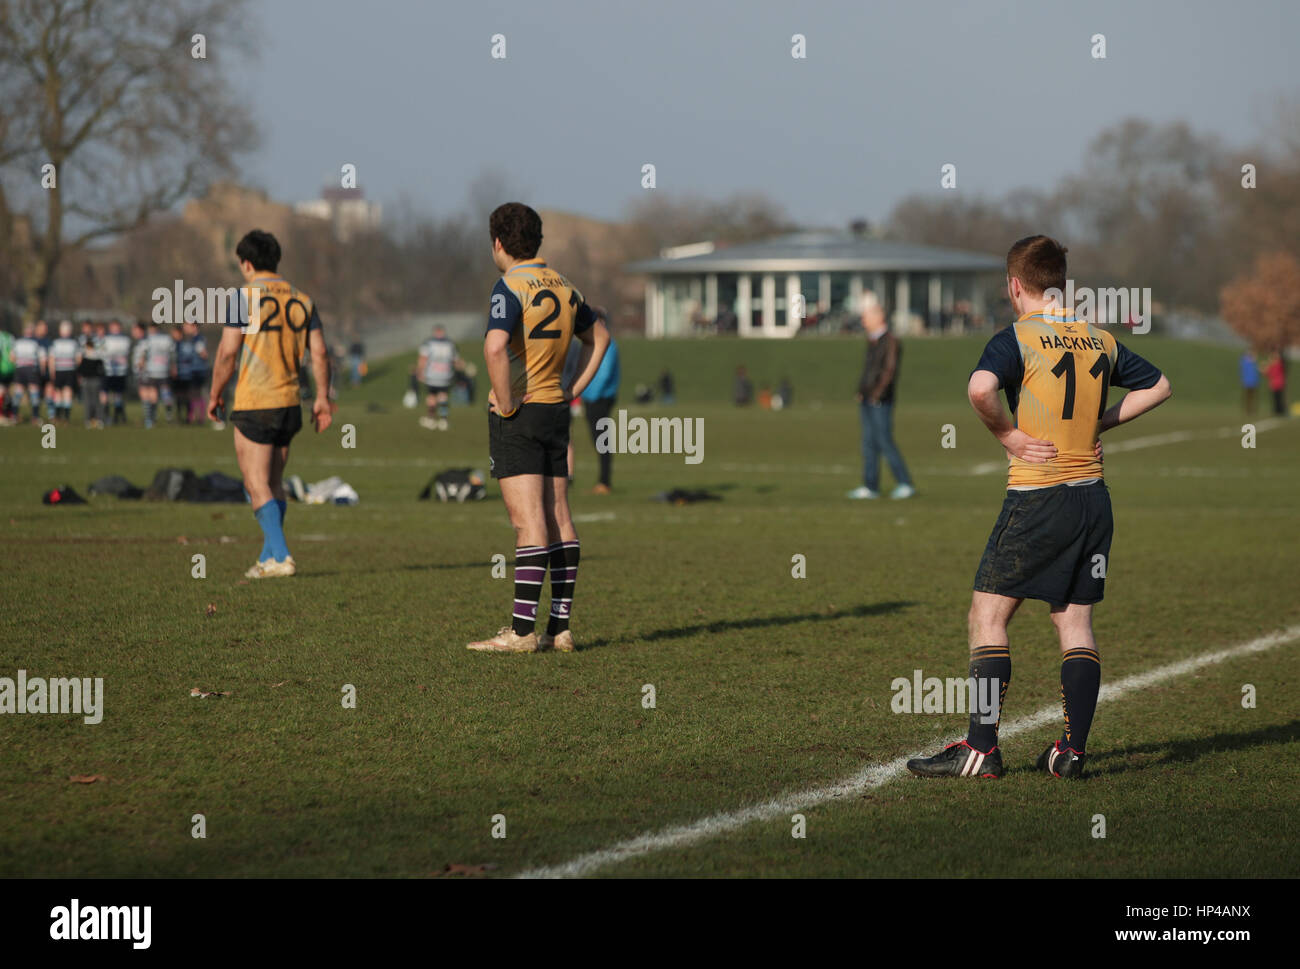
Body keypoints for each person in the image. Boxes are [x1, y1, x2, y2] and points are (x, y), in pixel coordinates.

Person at [906, 235, 1171, 781]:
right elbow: (1161, 386)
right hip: (1093, 499)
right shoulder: (1098, 339)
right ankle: (1071, 753)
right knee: (1074, 621)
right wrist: (1101, 423)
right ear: (1062, 283)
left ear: (1014, 285)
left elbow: (980, 390)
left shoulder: (1018, 338)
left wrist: (1008, 435)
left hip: (1038, 496)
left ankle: (980, 748)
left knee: (988, 614)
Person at [467, 202, 609, 654]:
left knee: (527, 522)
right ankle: (560, 629)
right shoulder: (566, 286)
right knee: (560, 518)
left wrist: (506, 402)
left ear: (498, 243)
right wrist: (574, 387)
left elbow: (494, 349)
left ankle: (522, 633)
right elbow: (600, 336)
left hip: (521, 414)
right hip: (555, 410)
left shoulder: (509, 286)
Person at [208, 229, 333, 579]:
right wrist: (322, 397)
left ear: (246, 264)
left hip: (255, 402)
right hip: (290, 403)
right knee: (275, 483)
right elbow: (320, 352)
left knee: (255, 483)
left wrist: (215, 392)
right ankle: (267, 557)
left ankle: (280, 556)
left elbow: (228, 351)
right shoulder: (302, 299)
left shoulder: (243, 297)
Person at [847, 301, 914, 500]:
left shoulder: (890, 341)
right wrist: (862, 391)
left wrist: (877, 393)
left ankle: (905, 483)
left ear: (879, 317)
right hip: (867, 399)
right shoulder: (872, 340)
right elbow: (869, 370)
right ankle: (870, 486)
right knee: (868, 443)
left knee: (884, 440)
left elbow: (888, 372)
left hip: (881, 400)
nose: (863, 319)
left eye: (867, 315)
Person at [579, 313, 620, 494]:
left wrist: (590, 395)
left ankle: (605, 481)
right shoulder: (591, 343)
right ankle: (603, 481)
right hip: (590, 396)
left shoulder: (606, 343)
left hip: (600, 397)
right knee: (597, 439)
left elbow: (603, 374)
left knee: (602, 439)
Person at [416, 324, 461, 430]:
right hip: (446, 375)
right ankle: (443, 420)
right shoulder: (450, 344)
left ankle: (431, 419)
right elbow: (456, 360)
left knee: (431, 396)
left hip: (432, 375)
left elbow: (423, 358)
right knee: (443, 396)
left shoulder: (428, 343)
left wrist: (420, 371)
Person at [138, 323, 175, 428]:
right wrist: (173, 367)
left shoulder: (148, 339)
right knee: (165, 394)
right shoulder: (167, 339)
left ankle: (151, 419)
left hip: (152, 371)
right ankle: (168, 415)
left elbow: (143, 354)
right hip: (164, 370)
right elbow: (172, 354)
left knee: (152, 396)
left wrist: (141, 364)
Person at [11, 323, 45, 422]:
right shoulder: (36, 342)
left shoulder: (17, 342)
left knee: (18, 392)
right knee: (34, 391)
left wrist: (17, 365)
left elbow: (12, 357)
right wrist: (41, 372)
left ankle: (14, 416)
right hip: (31, 369)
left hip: (20, 368)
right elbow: (42, 358)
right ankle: (35, 417)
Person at [101, 320, 132, 426]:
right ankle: (106, 415)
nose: (115, 329)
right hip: (108, 371)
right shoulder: (105, 339)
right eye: (113, 327)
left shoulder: (125, 340)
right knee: (105, 393)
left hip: (121, 372)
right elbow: (101, 353)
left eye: (117, 327)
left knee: (118, 394)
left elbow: (127, 354)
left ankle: (117, 416)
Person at [48, 321, 80, 422]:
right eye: (64, 329)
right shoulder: (56, 342)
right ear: (60, 331)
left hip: (69, 370)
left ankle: (66, 416)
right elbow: (52, 358)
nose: (66, 332)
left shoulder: (74, 343)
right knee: (58, 393)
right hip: (59, 370)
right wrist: (52, 372)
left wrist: (76, 370)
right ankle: (58, 415)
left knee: (67, 392)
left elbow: (78, 358)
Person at [76, 322, 105, 428]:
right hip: (91, 381)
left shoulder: (93, 358)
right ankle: (94, 420)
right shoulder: (96, 358)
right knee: (91, 402)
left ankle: (95, 420)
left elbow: (80, 370)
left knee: (92, 401)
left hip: (92, 381)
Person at [1265, 349, 1287, 416]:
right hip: (1274, 384)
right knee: (1275, 399)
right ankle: (1277, 411)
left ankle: (1281, 411)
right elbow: (1268, 373)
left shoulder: (1279, 364)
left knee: (1279, 398)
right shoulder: (1273, 365)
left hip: (1279, 383)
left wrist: (1270, 363)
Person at [0, 325, 14, 422]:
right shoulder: (10, 337)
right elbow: (13, 355)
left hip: (2, 368)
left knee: (3, 391)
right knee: (6, 391)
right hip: (10, 368)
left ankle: (3, 414)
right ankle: (7, 414)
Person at [1240, 349, 1259, 415]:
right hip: (1247, 381)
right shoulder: (1245, 361)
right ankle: (1248, 410)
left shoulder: (1253, 362)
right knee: (1248, 397)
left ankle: (1252, 410)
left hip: (1253, 381)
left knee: (1252, 397)